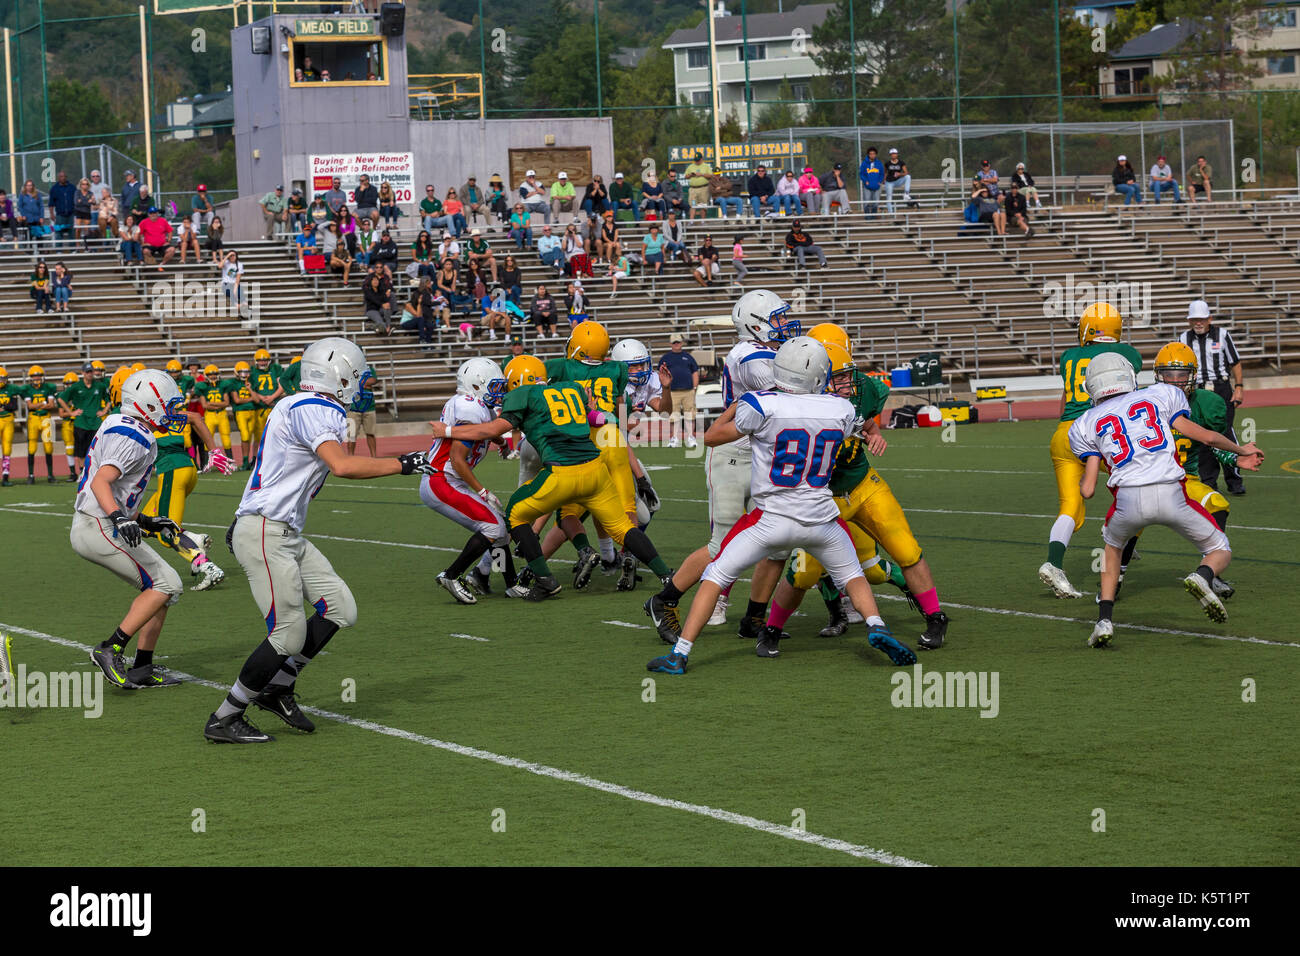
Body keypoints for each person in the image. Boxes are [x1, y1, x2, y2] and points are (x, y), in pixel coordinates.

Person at [203, 338, 434, 742]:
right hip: (267, 531)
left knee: (340, 607)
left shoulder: (293, 404)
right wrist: (403, 463)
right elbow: (342, 465)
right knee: (287, 633)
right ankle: (225, 716)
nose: (361, 386)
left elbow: (276, 470)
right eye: (357, 377)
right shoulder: (316, 408)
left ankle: (277, 687)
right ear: (340, 376)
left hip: (279, 530)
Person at [645, 336, 916, 672]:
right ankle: (877, 626)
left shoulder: (761, 404)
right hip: (822, 519)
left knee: (715, 575)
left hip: (772, 519)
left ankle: (680, 654)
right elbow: (860, 425)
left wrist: (735, 403)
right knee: (852, 575)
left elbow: (715, 434)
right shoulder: (840, 409)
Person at [428, 353, 676, 602]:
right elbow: (593, 414)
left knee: (515, 513)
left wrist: (447, 430)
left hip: (562, 472)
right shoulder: (570, 389)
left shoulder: (521, 395)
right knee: (622, 527)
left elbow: (493, 429)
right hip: (596, 472)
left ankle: (544, 580)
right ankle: (666, 575)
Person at [1069, 352, 1263, 647]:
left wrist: (1084, 473)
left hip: (1128, 502)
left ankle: (1104, 620)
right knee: (1219, 548)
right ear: (1129, 378)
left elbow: (1088, 490)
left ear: (1092, 387)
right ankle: (1203, 574)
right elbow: (1209, 438)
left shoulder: (1084, 423)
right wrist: (1242, 451)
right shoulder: (1161, 395)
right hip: (1173, 492)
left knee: (1112, 550)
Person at [74, 370, 192, 689]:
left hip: (97, 521)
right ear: (149, 404)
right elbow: (102, 482)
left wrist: (144, 520)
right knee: (167, 583)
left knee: (162, 590)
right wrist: (119, 518)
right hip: (98, 524)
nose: (173, 412)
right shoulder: (135, 434)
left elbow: (118, 491)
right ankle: (110, 648)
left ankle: (142, 667)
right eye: (167, 404)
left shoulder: (119, 423)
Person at [1038, 302, 1143, 599]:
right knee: (1138, 491)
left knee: (1070, 507)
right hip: (1102, 430)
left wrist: (1065, 427)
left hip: (1065, 432)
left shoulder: (1069, 356)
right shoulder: (1127, 354)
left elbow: (1065, 398)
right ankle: (1122, 541)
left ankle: (1054, 563)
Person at [421, 358, 517, 603]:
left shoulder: (477, 406)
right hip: (442, 479)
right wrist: (482, 491)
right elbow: (457, 458)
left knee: (500, 530)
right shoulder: (468, 407)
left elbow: (484, 431)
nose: (499, 393)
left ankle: (500, 581)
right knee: (493, 527)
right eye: (494, 387)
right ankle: (452, 575)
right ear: (476, 385)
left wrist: (501, 442)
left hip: (449, 479)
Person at [1179, 299, 1245, 494]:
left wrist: (1239, 387)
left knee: (1225, 432)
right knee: (1201, 437)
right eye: (1194, 319)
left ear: (1210, 318)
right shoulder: (1183, 338)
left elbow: (1235, 362)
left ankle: (1234, 480)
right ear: (1190, 321)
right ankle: (1208, 482)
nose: (1198, 323)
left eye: (1202, 319)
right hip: (1197, 392)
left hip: (1220, 388)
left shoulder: (1222, 335)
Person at [658, 332, 700, 449]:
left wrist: (695, 387)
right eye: (674, 342)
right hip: (672, 392)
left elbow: (695, 372)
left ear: (682, 343)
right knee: (673, 415)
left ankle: (691, 437)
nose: (676, 344)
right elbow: (660, 374)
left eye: (678, 342)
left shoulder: (688, 357)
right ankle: (674, 438)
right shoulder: (665, 358)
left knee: (690, 414)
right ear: (671, 344)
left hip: (688, 391)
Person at [346, 365, 380, 456]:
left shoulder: (368, 367)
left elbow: (373, 380)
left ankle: (374, 457)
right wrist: (364, 383)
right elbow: (346, 383)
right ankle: (350, 458)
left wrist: (358, 382)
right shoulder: (347, 368)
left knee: (371, 433)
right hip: (353, 407)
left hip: (369, 406)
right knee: (351, 436)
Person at [138, 206, 175, 271]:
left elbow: (170, 231)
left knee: (172, 249)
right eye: (151, 213)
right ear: (148, 214)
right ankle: (154, 265)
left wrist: (168, 240)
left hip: (162, 245)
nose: (153, 214)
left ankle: (161, 264)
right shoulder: (144, 222)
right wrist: (142, 243)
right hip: (150, 245)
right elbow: (138, 233)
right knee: (145, 251)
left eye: (154, 213)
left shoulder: (163, 220)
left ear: (157, 213)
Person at [684, 151, 713, 219]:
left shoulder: (706, 166)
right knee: (692, 205)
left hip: (703, 188)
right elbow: (686, 176)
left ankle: (703, 222)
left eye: (698, 160)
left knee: (703, 206)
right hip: (693, 189)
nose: (697, 162)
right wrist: (691, 175)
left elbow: (711, 176)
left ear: (702, 159)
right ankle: (691, 222)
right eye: (696, 160)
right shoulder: (691, 166)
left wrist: (702, 174)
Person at [882, 148, 912, 214]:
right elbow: (885, 172)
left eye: (895, 154)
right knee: (889, 197)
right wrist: (883, 180)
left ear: (897, 154)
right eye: (892, 154)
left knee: (908, 177)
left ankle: (906, 194)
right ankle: (891, 213)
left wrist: (900, 174)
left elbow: (906, 172)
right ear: (890, 155)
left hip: (897, 181)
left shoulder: (901, 162)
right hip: (889, 182)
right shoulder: (887, 163)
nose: (894, 155)